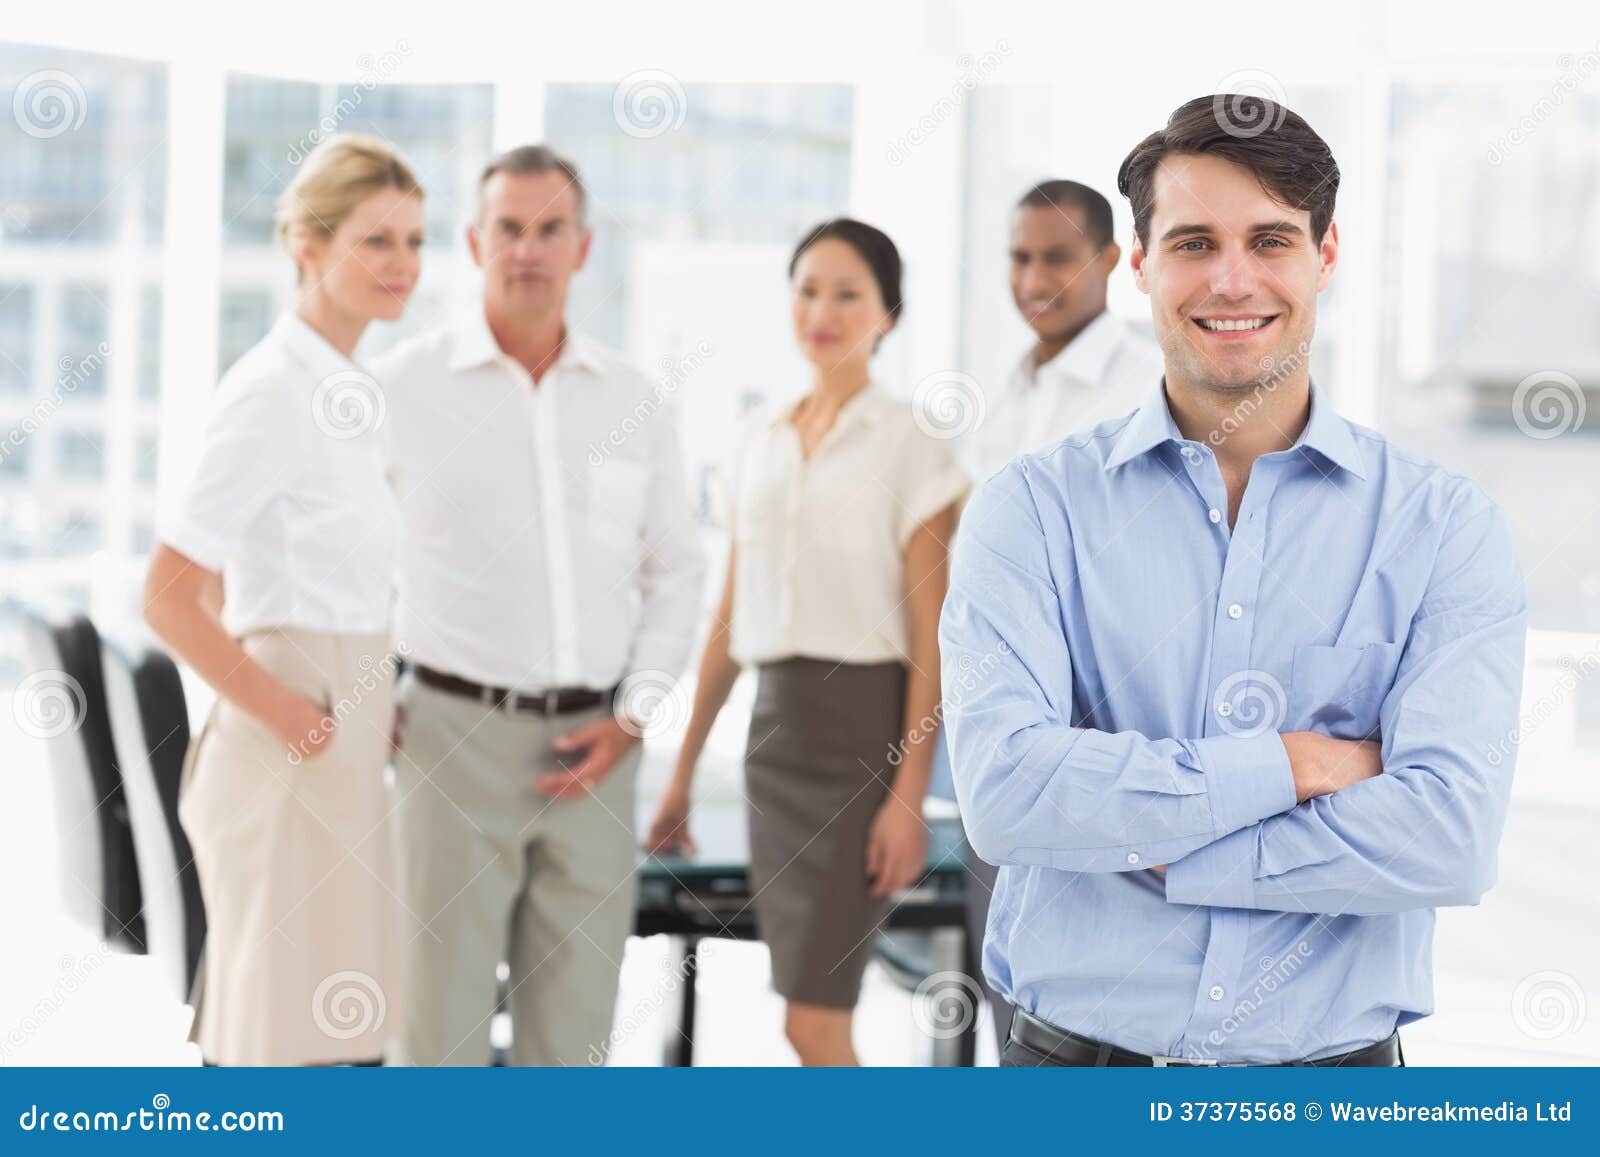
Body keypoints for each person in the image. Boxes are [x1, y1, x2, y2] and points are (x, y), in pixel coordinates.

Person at [941, 95, 1528, 1067]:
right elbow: (1007, 795)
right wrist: (1293, 764)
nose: (1231, 279)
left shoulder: (1444, 528)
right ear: (1139, 262)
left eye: (1269, 239)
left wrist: (1160, 838)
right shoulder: (1030, 510)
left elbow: (1447, 835)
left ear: (1325, 253)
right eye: (1193, 243)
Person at [373, 145, 705, 1067]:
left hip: (598, 753)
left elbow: (677, 570)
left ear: (583, 247)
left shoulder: (634, 399)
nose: (528, 249)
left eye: (550, 229)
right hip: (449, 745)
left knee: (573, 1051)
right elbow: (341, 557)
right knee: (436, 1044)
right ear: (475, 242)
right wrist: (366, 690)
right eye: (509, 228)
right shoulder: (402, 388)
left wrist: (635, 716)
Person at [645, 219, 969, 1066]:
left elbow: (932, 632)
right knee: (805, 1012)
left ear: (887, 314)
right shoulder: (757, 440)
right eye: (808, 290)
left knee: (813, 1020)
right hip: (774, 742)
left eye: (848, 294)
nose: (822, 311)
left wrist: (908, 792)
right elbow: (728, 620)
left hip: (863, 744)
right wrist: (680, 774)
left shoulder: (912, 440)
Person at [144, 134, 424, 1065]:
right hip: (287, 752)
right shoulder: (271, 390)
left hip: (336, 734)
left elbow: (257, 564)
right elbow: (169, 593)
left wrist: (357, 698)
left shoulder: (346, 389)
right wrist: (294, 712)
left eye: (414, 241)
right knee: (278, 1049)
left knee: (334, 1040)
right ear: (309, 244)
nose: (402, 263)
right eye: (376, 240)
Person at [951, 178, 1165, 1055]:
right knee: (1016, 1004)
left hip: (1099, 740)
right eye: (1020, 257)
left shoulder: (1146, 386)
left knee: (1103, 1014)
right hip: (1004, 735)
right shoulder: (1006, 395)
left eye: (1058, 258)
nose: (1035, 279)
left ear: (1112, 261)